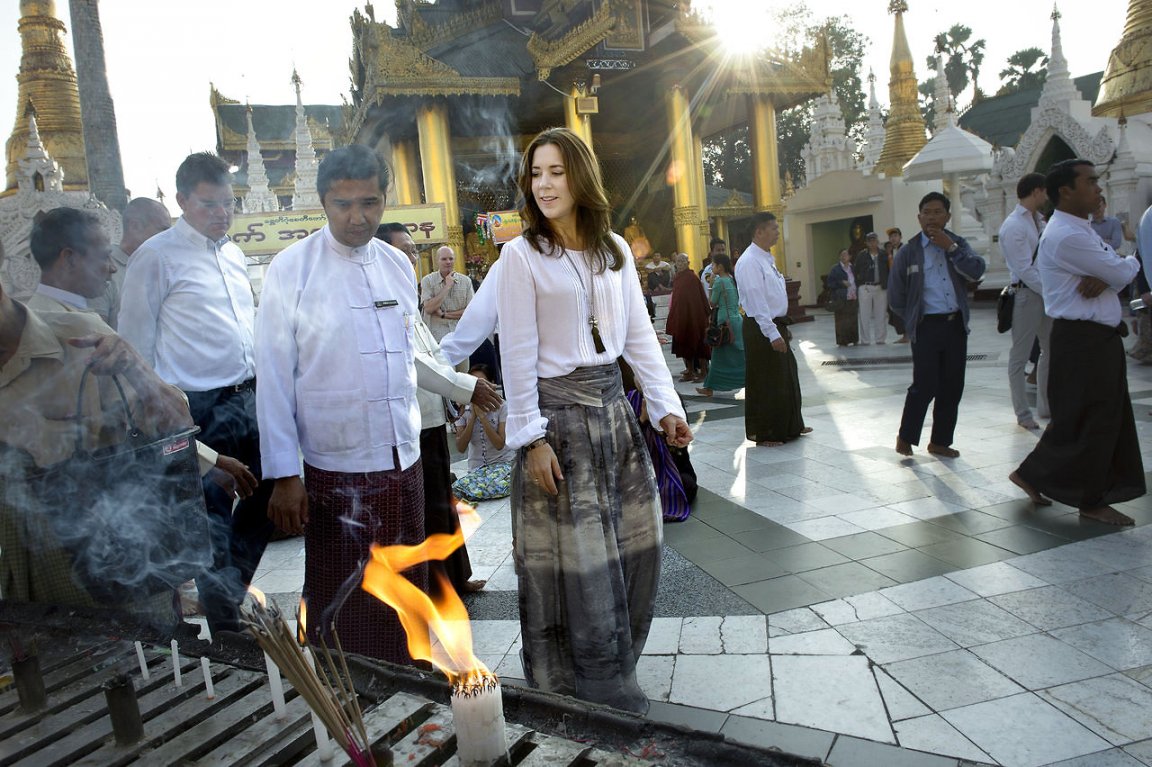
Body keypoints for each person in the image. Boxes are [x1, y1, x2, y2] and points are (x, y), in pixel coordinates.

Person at [255, 145, 501, 662]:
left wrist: (459, 386)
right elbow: (274, 378)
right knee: (344, 596)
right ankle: (345, 689)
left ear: (385, 199)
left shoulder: (393, 264)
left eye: (369, 202)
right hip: (335, 466)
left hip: (402, 462)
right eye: (342, 204)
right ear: (323, 201)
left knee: (405, 588)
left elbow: (411, 351)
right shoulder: (291, 269)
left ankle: (406, 686)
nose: (357, 217)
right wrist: (283, 474)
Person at [495, 127, 691, 713]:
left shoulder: (615, 250)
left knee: (639, 550)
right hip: (558, 427)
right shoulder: (519, 257)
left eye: (556, 171)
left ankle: (617, 664)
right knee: (580, 570)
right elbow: (518, 356)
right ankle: (587, 685)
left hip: (615, 419)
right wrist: (531, 440)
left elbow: (637, 338)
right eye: (536, 174)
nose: (545, 185)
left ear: (580, 176)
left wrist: (666, 408)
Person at [118, 152, 274, 637]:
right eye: (208, 204)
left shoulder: (232, 253)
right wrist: (159, 414)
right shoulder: (156, 257)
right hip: (197, 407)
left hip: (248, 397)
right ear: (182, 200)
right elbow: (134, 347)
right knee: (210, 517)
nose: (220, 213)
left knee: (266, 498)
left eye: (227, 203)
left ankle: (231, 590)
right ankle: (227, 622)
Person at [0, 265, 195, 629]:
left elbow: (178, 425)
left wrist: (137, 368)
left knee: (155, 674)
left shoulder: (80, 339)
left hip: (116, 563)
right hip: (16, 582)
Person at [1010, 160, 1144, 526]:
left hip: (1094, 338)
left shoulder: (1078, 229)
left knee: (1085, 418)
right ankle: (1091, 500)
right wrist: (1112, 272)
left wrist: (1108, 274)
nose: (1098, 189)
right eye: (1091, 182)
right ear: (1065, 191)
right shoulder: (1067, 235)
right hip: (1083, 340)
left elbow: (1112, 270)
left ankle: (1032, 474)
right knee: (1095, 420)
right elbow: (1122, 269)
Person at [376, 222, 489, 596]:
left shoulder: (404, 297)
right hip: (407, 425)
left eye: (413, 250)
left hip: (432, 416)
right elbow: (413, 364)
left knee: (443, 501)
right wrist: (466, 388)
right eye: (403, 250)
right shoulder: (383, 301)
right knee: (422, 507)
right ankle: (431, 587)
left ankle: (455, 578)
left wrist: (456, 396)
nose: (412, 258)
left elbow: (436, 356)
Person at [889, 192, 986, 458]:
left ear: (948, 216)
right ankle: (906, 436)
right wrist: (911, 320)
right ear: (919, 217)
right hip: (926, 326)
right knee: (924, 384)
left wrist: (951, 249)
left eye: (937, 212)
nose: (932, 217)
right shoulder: (909, 252)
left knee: (952, 385)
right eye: (927, 213)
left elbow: (978, 270)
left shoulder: (958, 244)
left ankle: (940, 441)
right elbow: (896, 295)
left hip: (954, 325)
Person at [735, 211, 811, 446]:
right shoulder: (749, 261)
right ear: (759, 231)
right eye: (773, 228)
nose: (777, 232)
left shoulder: (766, 257)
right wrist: (771, 333)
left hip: (775, 323)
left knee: (785, 376)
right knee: (766, 380)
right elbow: (757, 303)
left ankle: (790, 425)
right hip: (760, 327)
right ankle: (766, 432)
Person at [1000, 172, 1050, 430]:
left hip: (1044, 293)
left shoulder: (1040, 221)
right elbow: (1024, 269)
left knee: (1049, 349)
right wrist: (1049, 291)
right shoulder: (1013, 225)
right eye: (1044, 191)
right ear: (1036, 191)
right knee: (1019, 357)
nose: (1046, 195)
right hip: (1026, 294)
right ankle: (1023, 413)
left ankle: (1045, 405)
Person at [88, 197, 172, 328]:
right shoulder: (104, 269)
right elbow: (97, 332)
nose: (169, 238)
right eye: (163, 230)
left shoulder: (163, 267)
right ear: (135, 226)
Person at [452, 363, 514, 501]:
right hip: (477, 468)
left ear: (491, 384)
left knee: (500, 485)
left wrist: (483, 417)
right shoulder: (463, 410)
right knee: (458, 489)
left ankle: (471, 489)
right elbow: (460, 447)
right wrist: (473, 417)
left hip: (502, 465)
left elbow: (499, 444)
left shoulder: (502, 406)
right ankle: (470, 488)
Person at [696, 253, 745, 395]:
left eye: (713, 265)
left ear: (720, 267)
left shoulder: (719, 282)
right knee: (739, 355)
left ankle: (710, 388)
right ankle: (745, 379)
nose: (711, 267)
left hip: (724, 323)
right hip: (737, 320)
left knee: (717, 357)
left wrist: (710, 286)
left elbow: (712, 303)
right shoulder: (731, 279)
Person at [666, 252, 711, 382]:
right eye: (678, 262)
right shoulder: (678, 278)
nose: (680, 264)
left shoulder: (692, 278)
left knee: (699, 343)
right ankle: (690, 371)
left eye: (682, 261)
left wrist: (699, 316)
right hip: (682, 317)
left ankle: (703, 372)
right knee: (684, 344)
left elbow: (698, 299)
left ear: (688, 263)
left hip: (695, 317)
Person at [420, 245, 474, 353]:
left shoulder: (466, 281)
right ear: (437, 261)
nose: (448, 262)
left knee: (462, 369)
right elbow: (429, 309)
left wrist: (444, 314)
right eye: (444, 259)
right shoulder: (428, 281)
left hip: (460, 337)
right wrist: (447, 286)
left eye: (451, 258)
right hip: (436, 339)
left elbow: (470, 311)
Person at [854, 232, 888, 345]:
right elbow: (855, 271)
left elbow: (889, 269)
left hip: (880, 286)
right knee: (864, 314)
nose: (872, 243)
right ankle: (865, 340)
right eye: (870, 241)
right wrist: (860, 284)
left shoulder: (884, 254)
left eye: (874, 240)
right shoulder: (861, 255)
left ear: (877, 241)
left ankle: (880, 339)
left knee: (881, 314)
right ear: (866, 243)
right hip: (865, 287)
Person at [826, 248, 859, 347]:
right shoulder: (835, 269)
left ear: (850, 257)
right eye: (842, 255)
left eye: (846, 254)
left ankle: (854, 339)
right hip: (841, 297)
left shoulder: (853, 268)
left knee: (853, 320)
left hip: (853, 297)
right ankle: (842, 341)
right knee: (841, 320)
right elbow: (830, 283)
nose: (844, 257)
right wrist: (841, 282)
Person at [885, 227, 909, 342]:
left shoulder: (905, 250)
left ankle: (907, 335)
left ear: (900, 237)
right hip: (895, 285)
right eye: (891, 237)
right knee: (895, 310)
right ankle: (904, 334)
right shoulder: (890, 252)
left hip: (904, 285)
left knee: (905, 310)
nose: (893, 239)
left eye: (895, 236)